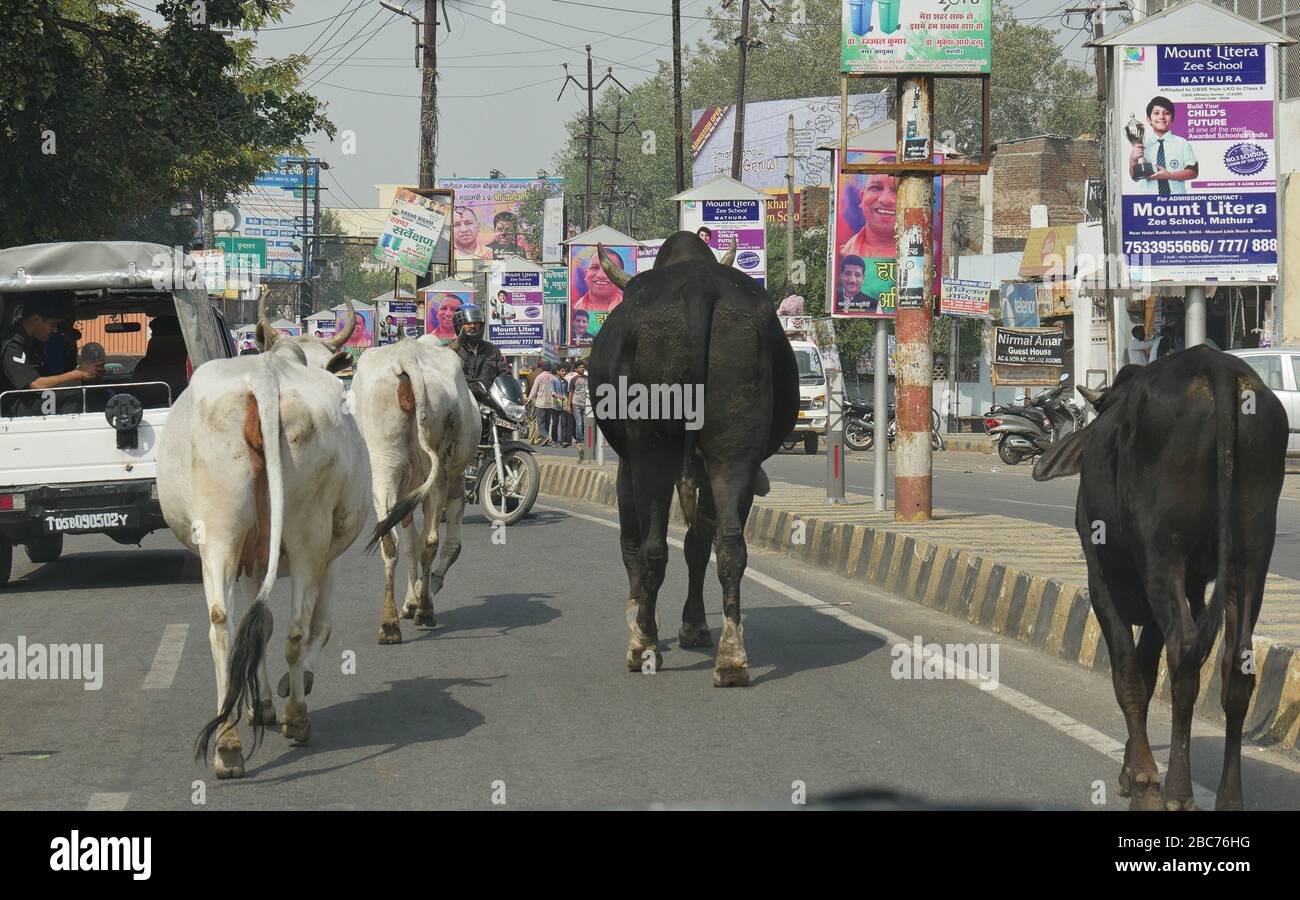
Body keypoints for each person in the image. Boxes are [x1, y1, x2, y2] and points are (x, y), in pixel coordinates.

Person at [1, 296, 104, 416]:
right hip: (16, 406)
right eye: (53, 324)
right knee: (75, 390)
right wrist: (77, 373)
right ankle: (68, 432)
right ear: (36, 319)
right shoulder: (12, 346)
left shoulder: (34, 342)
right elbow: (36, 384)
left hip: (31, 399)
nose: (55, 330)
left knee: (88, 389)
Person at [1130, 96, 1198, 197]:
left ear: (1172, 119)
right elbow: (1135, 178)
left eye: (1166, 113)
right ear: (1149, 119)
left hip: (1177, 201)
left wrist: (1169, 175)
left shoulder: (1182, 143)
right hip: (1149, 201)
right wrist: (1133, 160)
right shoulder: (1141, 144)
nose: (1161, 117)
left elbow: (1193, 172)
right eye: (1156, 113)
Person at [450, 304, 509, 402]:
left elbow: (505, 376)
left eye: (476, 323)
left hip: (488, 404)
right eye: (468, 323)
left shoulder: (492, 350)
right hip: (460, 404)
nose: (472, 326)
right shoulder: (449, 351)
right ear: (459, 325)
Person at [840, 171, 898, 260]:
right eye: (876, 188)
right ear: (862, 198)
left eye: (896, 190)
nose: (885, 200)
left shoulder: (924, 256)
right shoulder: (841, 256)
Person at [528, 360, 555, 446]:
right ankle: (545, 439)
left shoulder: (539, 377)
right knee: (547, 422)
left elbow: (534, 390)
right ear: (550, 368)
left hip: (540, 403)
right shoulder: (553, 377)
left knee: (540, 422)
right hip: (550, 403)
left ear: (543, 368)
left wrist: (529, 399)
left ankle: (546, 436)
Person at [568, 361, 588, 461]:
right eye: (580, 367)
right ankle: (580, 441)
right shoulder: (573, 380)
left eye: (583, 367)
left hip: (586, 404)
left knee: (585, 423)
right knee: (579, 423)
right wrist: (569, 405)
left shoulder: (587, 379)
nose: (582, 369)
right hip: (576, 403)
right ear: (576, 369)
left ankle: (583, 440)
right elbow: (570, 393)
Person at [550, 364, 569, 445]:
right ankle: (554, 439)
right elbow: (552, 392)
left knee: (564, 423)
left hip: (564, 405)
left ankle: (563, 440)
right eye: (562, 371)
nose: (564, 372)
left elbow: (566, 393)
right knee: (555, 423)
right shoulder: (553, 380)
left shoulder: (565, 382)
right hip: (555, 405)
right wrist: (558, 396)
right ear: (558, 371)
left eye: (565, 371)